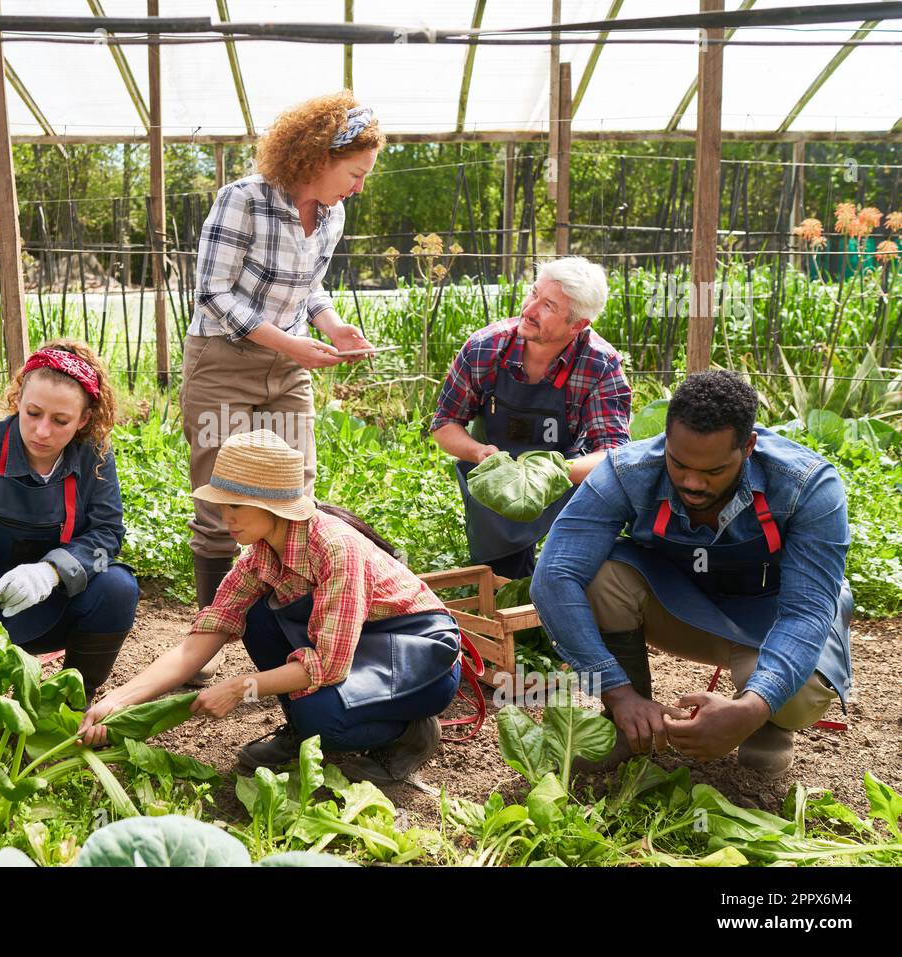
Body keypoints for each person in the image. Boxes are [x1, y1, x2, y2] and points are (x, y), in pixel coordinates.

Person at [78, 430, 462, 785]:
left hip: (416, 658)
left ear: (276, 506)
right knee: (259, 616)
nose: (225, 517)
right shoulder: (260, 557)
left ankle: (410, 732)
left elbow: (328, 665)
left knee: (324, 721)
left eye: (236, 506)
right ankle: (305, 727)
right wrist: (118, 702)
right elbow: (198, 643)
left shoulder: (334, 549)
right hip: (357, 648)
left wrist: (240, 688)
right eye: (222, 504)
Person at [530, 371, 852, 778]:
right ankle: (629, 723)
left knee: (799, 694)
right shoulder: (627, 472)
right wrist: (616, 691)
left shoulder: (807, 486)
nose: (692, 482)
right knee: (597, 575)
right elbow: (554, 575)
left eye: (713, 471)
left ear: (748, 446)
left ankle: (766, 724)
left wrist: (752, 707)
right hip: (682, 607)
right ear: (666, 439)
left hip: (771, 621)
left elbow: (806, 612)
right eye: (678, 464)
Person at [183, 91, 385, 683]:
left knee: (294, 491)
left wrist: (330, 325)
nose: (359, 187)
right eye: (355, 173)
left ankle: (294, 627)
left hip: (287, 366)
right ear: (317, 156)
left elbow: (310, 289)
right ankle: (208, 639)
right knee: (224, 498)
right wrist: (290, 343)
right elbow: (215, 295)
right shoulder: (242, 200)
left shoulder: (332, 213)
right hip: (224, 359)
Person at [0, 341, 138, 701]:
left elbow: (107, 534)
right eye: (32, 413)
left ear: (83, 420)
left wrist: (51, 572)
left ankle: (74, 701)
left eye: (60, 421)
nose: (41, 431)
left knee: (117, 588)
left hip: (51, 600)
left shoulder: (93, 455)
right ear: (17, 400)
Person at [431, 257, 631, 579]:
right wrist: (477, 452)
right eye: (533, 293)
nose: (529, 309)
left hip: (565, 476)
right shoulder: (485, 348)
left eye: (548, 306)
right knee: (503, 577)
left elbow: (612, 454)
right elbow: (444, 424)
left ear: (577, 324)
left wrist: (548, 471)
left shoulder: (600, 364)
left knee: (566, 574)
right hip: (494, 475)